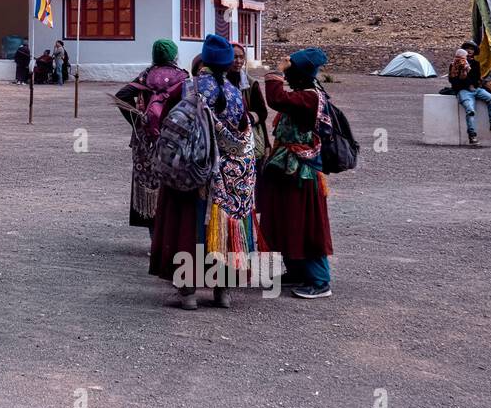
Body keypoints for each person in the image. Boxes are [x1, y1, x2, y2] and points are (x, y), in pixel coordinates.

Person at [149, 35, 256, 310]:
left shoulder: (186, 88)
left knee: (189, 226)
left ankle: (188, 293)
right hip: (227, 176)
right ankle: (222, 292)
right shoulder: (234, 93)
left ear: (204, 59)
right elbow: (243, 128)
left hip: (191, 170)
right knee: (221, 227)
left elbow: (165, 122)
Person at [259, 47, 334, 299]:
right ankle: (297, 270)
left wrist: (275, 72)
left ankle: (320, 280)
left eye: (291, 74)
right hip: (290, 172)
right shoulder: (308, 94)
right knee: (290, 220)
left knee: (307, 225)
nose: (288, 78)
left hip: (303, 173)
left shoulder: (309, 98)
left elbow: (276, 98)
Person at [115, 38, 189, 229]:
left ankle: (153, 234)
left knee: (149, 183)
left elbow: (121, 96)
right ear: (174, 56)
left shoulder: (145, 76)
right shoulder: (183, 78)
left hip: (146, 140)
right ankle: (170, 236)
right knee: (171, 184)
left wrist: (137, 121)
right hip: (173, 139)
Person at [449, 46, 491, 146]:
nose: (469, 51)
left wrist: (472, 83)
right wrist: (466, 82)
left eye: (471, 49)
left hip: (476, 89)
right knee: (470, 111)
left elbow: (476, 78)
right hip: (463, 90)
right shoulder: (454, 65)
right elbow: (453, 81)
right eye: (467, 49)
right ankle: (472, 136)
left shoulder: (475, 64)